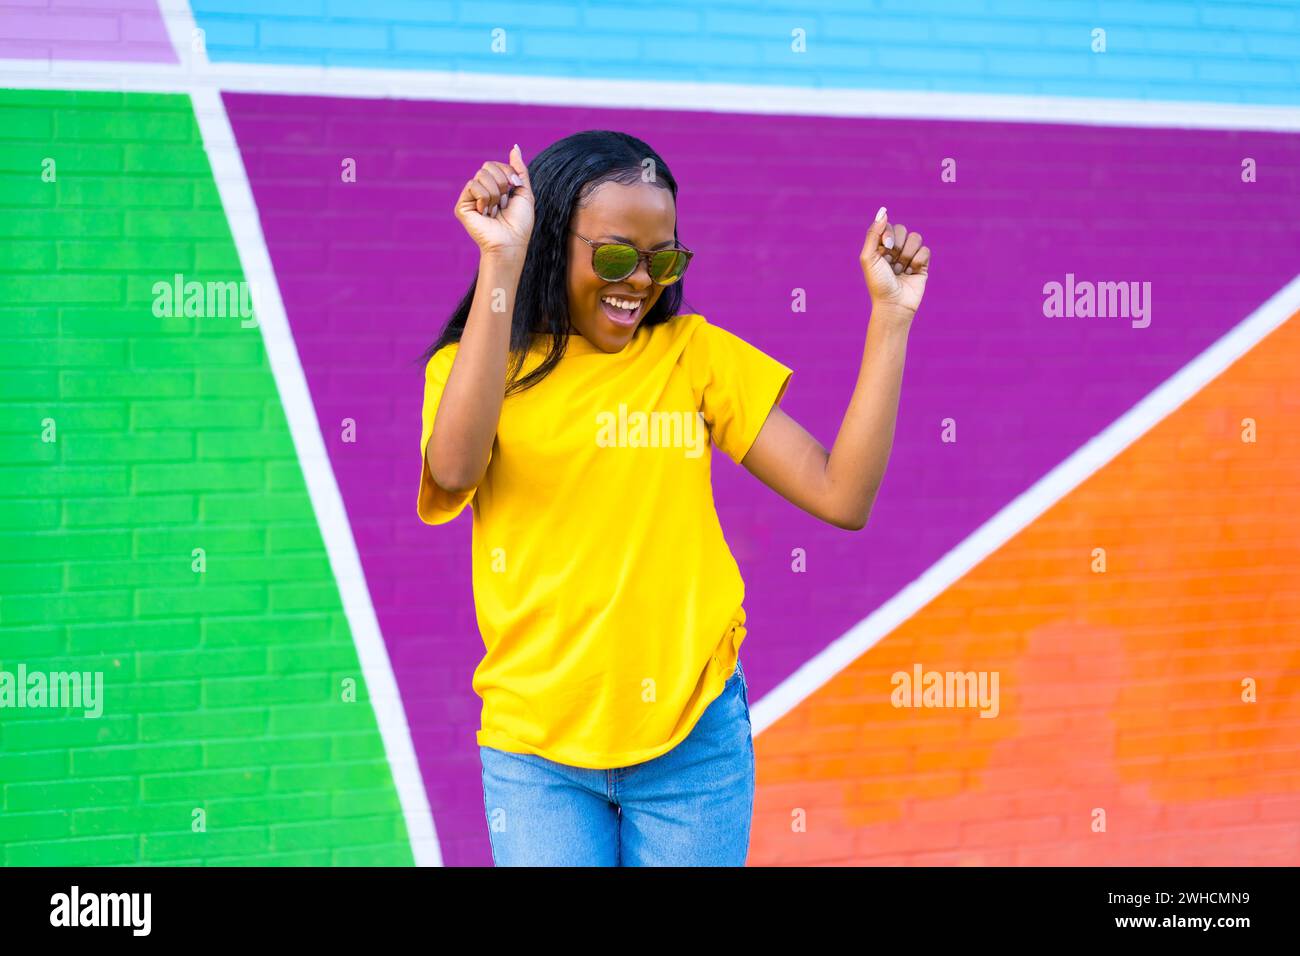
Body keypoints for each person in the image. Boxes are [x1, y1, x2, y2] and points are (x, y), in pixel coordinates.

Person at [418, 130, 931, 866]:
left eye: (663, 260)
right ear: (551, 239)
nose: (639, 283)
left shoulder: (693, 356)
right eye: (617, 255)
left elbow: (841, 494)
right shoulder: (477, 369)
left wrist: (892, 315)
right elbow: (457, 467)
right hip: (536, 751)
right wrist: (501, 254)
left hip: (695, 743)